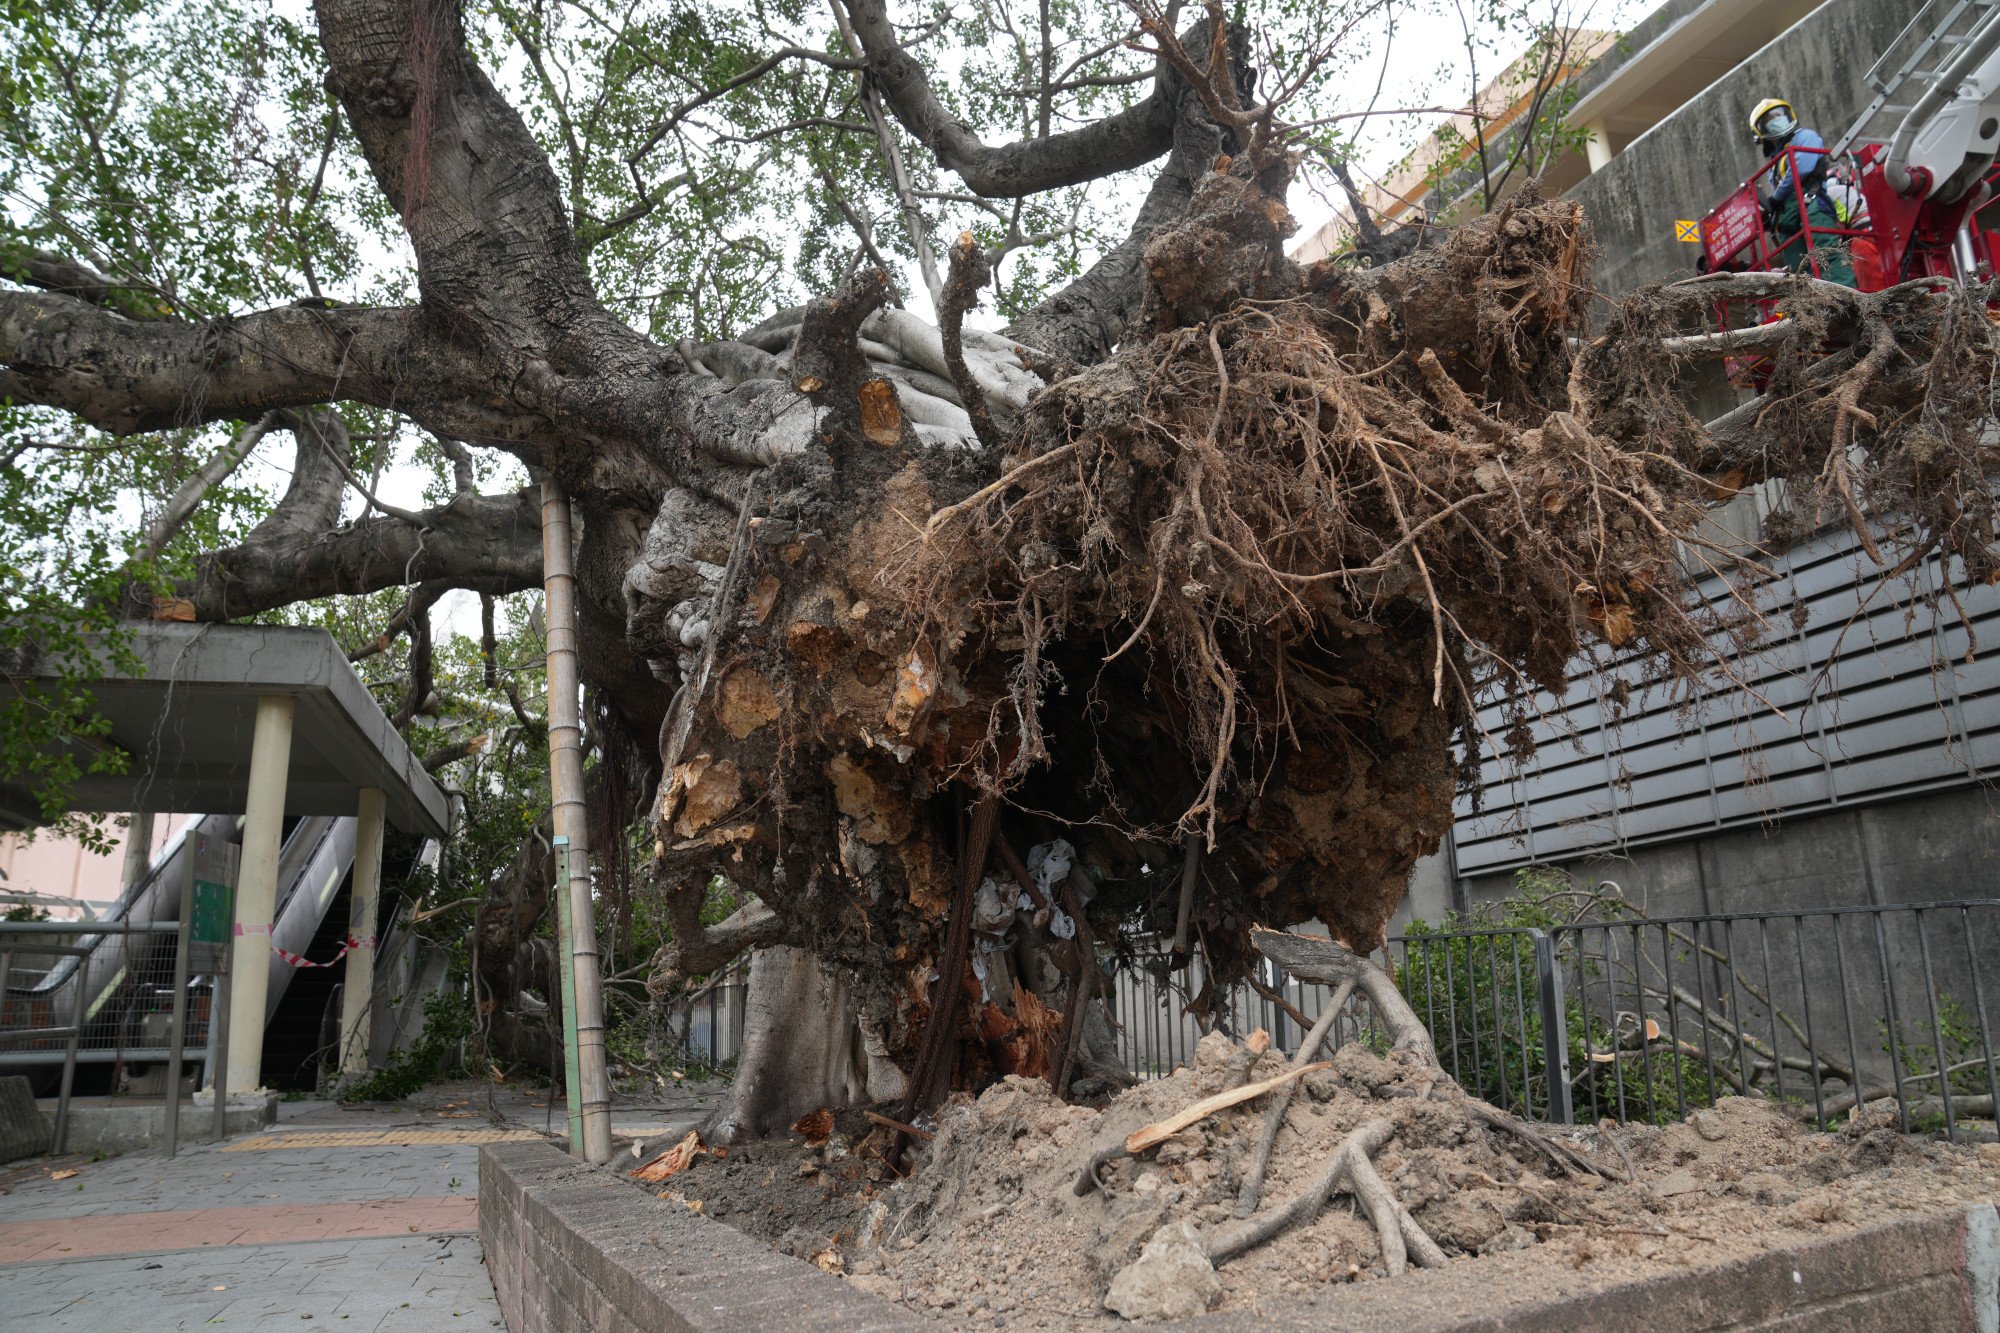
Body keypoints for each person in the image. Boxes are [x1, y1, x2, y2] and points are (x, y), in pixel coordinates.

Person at [1750, 98, 1857, 286]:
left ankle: (1844, 294)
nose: (1777, 120)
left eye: (1779, 115)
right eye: (1770, 119)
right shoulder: (1774, 164)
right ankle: (1812, 306)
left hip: (1811, 202)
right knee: (1798, 266)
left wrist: (1775, 199)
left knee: (1827, 253)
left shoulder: (1805, 136)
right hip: (1787, 217)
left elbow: (1802, 167)